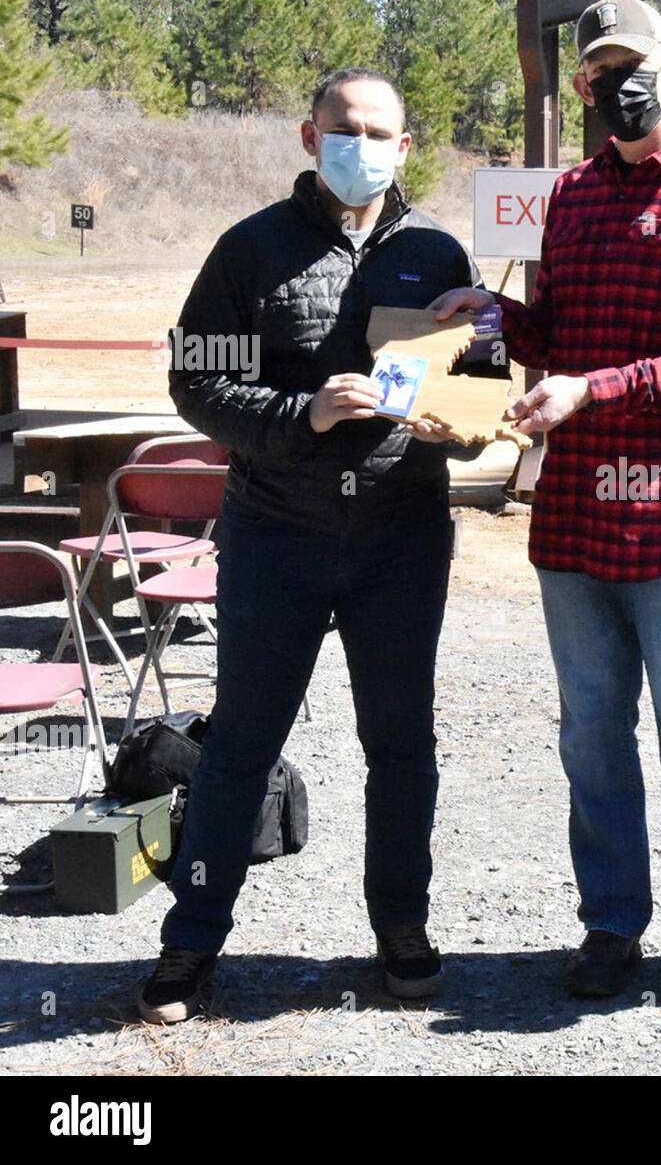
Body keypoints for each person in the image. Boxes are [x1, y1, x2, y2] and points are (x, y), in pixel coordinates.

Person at [427, 0, 661, 1007]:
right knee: (590, 733)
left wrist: (594, 387)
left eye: (632, 65)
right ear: (580, 86)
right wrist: (498, 315)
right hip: (576, 514)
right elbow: (564, 331)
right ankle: (610, 925)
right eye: (597, 72)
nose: (615, 84)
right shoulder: (574, 195)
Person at [137, 67, 481, 1024]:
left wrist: (478, 384)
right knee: (241, 744)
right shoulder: (249, 251)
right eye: (344, 127)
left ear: (406, 148)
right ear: (308, 135)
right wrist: (302, 412)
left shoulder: (436, 253)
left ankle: (402, 929)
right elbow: (197, 385)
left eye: (380, 131)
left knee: (402, 745)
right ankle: (189, 947)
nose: (360, 145)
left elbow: (476, 384)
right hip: (277, 534)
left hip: (400, 536)